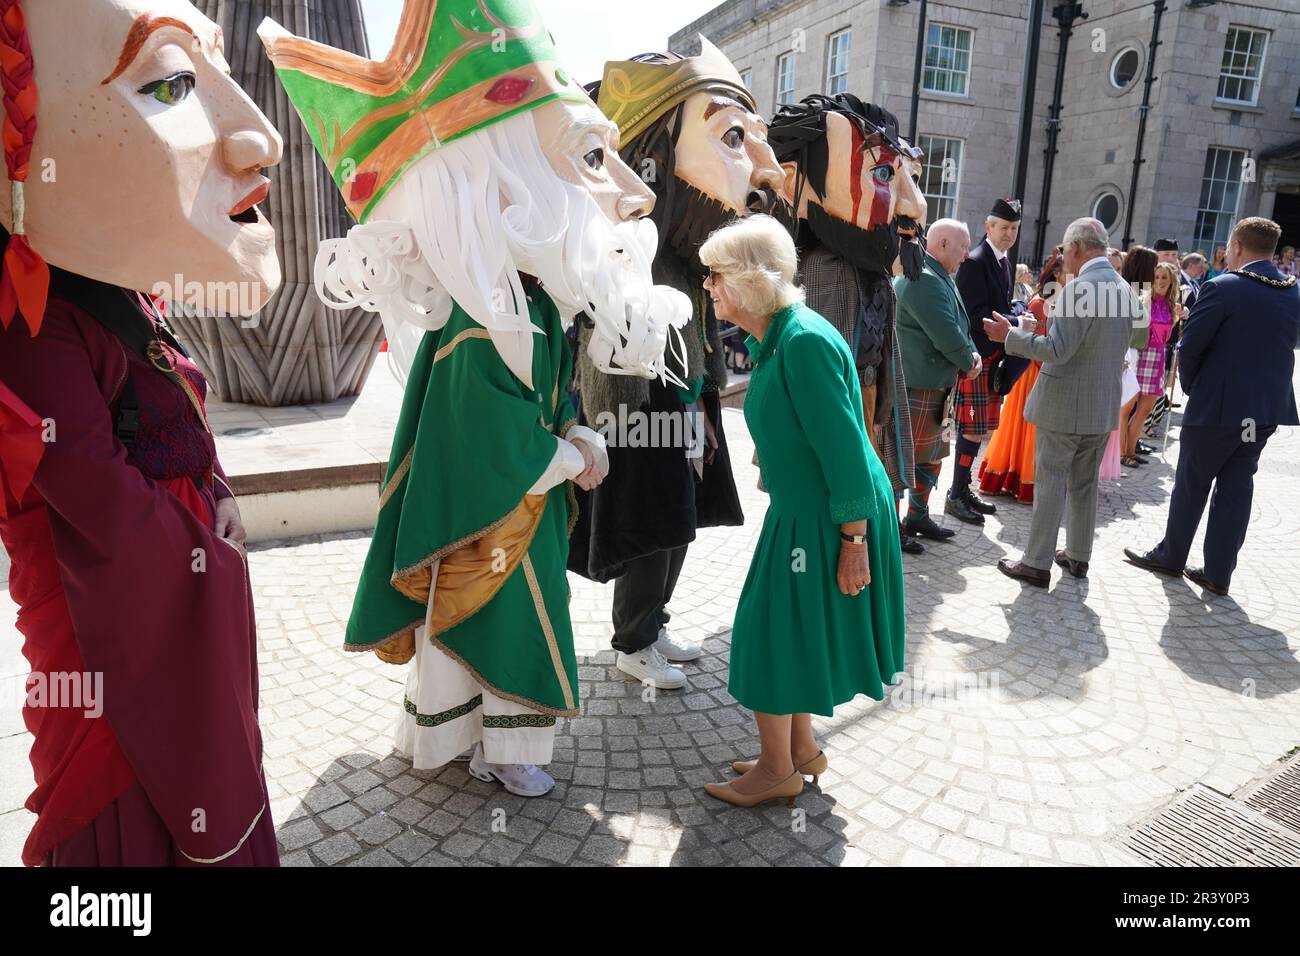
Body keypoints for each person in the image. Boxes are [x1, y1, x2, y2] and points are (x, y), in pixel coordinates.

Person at [262, 0, 692, 797]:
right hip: (490, 513)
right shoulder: (484, 311)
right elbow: (487, 433)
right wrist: (569, 456)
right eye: (587, 166)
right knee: (506, 620)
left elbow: (547, 396)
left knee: (502, 618)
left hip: (519, 504)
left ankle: (478, 743)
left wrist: (578, 436)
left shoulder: (533, 301)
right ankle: (500, 750)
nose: (626, 199)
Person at [0, 0, 281, 866]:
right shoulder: (33, 320)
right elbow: (90, 490)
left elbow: (181, 404)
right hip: (110, 607)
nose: (257, 140)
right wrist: (202, 560)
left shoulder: (129, 286)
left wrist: (222, 498)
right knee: (122, 776)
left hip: (183, 552)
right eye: (169, 86)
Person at [570, 41, 779, 689]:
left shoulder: (688, 256)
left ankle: (653, 621)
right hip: (640, 402)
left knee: (681, 520)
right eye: (733, 138)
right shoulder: (624, 243)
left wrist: (709, 396)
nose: (763, 168)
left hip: (687, 394)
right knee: (652, 521)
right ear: (654, 157)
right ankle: (632, 639)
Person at [699, 215, 904, 807]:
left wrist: (854, 542)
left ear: (745, 279)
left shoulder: (802, 341)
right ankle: (801, 751)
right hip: (808, 514)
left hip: (828, 519)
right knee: (792, 633)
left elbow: (844, 449)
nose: (708, 286)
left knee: (769, 639)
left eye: (714, 275)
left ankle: (776, 769)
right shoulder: (782, 336)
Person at [766, 94, 928, 550]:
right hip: (837, 449)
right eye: (883, 175)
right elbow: (824, 395)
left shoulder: (864, 266)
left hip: (864, 422)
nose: (913, 205)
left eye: (907, 178)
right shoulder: (828, 269)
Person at [1125, 217, 1300, 595]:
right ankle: (1219, 572)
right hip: (1262, 412)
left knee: (1193, 482)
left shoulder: (1223, 287)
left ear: (1236, 246)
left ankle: (1172, 556)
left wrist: (1192, 388)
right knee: (1238, 484)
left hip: (1218, 409)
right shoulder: (1292, 290)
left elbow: (1190, 347)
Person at [984, 218, 1139, 586]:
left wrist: (1011, 336)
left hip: (1065, 404)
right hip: (1101, 404)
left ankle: (1037, 563)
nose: (1064, 257)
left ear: (1076, 249)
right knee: (1084, 484)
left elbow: (1057, 350)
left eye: (1065, 250)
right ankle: (1078, 555)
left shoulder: (1079, 288)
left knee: (1051, 482)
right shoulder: (1123, 288)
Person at [895, 220, 980, 547]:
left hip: (938, 386)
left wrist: (971, 355)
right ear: (942, 243)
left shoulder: (939, 276)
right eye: (964, 245)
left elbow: (960, 326)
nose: (967, 253)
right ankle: (895, 528)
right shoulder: (924, 279)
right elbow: (946, 333)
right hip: (919, 386)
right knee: (906, 458)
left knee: (932, 456)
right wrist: (967, 360)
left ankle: (917, 518)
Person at [949, 197, 1025, 524]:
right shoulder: (976, 261)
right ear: (988, 227)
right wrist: (1019, 318)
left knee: (979, 430)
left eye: (1014, 229)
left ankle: (963, 488)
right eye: (1004, 227)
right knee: (970, 429)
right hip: (978, 356)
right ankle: (955, 493)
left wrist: (1016, 314)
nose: (1009, 234)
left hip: (992, 356)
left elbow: (1002, 307)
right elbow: (974, 315)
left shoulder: (1002, 260)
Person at [979, 249, 1064, 503]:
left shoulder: (1067, 302)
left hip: (1047, 369)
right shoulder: (1039, 303)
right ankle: (1015, 478)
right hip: (1032, 372)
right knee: (1025, 428)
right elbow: (1030, 340)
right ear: (1057, 274)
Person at [1124, 261, 1184, 466]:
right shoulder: (1143, 301)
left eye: (1164, 278)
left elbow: (1170, 334)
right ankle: (1125, 453)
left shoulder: (1172, 306)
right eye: (1156, 277)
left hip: (1158, 356)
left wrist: (1182, 315)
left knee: (1145, 409)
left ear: (1171, 282)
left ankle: (1131, 448)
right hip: (1140, 355)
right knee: (1128, 408)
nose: (1159, 281)